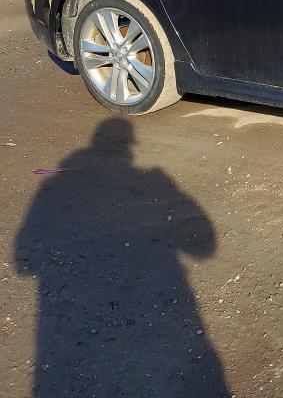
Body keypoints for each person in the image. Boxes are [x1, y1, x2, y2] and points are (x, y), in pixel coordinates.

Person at [15, 118, 229, 397]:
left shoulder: (54, 188)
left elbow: (23, 261)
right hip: (158, 309)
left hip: (77, 322)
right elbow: (205, 246)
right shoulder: (153, 181)